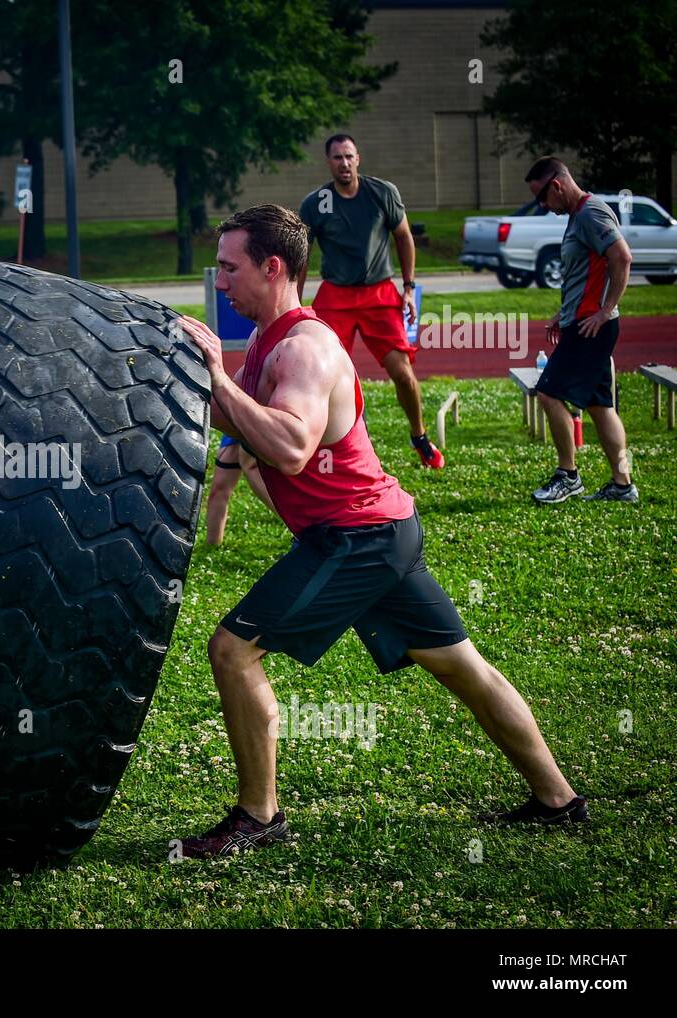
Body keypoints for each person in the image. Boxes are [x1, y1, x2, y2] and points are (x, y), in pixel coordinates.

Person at [176, 204, 585, 858]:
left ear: (272, 267)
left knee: (232, 650)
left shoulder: (306, 349)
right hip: (379, 531)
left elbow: (290, 446)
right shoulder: (263, 338)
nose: (220, 281)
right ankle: (559, 800)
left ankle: (260, 815)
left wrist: (219, 379)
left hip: (357, 539)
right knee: (466, 670)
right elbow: (252, 437)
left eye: (230, 267)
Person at [297, 134, 444, 469]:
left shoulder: (382, 193)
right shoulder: (316, 203)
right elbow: (302, 253)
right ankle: (327, 448)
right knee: (324, 376)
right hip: (335, 295)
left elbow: (404, 236)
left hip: (379, 293)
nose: (344, 163)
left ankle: (419, 436)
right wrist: (296, 298)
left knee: (402, 372)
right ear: (328, 162)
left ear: (358, 158)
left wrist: (408, 287)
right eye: (337, 158)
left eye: (349, 156)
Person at [524, 157, 638, 504]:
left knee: (548, 394)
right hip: (583, 321)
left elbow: (622, 257)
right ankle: (622, 485)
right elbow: (589, 273)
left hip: (591, 329)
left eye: (542, 198)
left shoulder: (590, 213)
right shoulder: (579, 216)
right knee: (601, 406)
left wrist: (604, 312)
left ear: (556, 186)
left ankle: (568, 475)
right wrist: (565, 312)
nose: (544, 206)